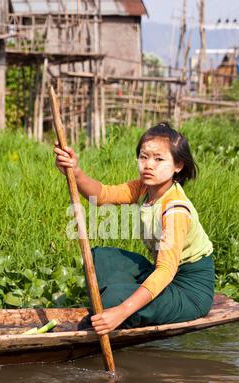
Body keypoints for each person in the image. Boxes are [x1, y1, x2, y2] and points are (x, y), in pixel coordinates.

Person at [54, 122, 215, 335]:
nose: (149, 165)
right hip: (162, 274)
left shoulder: (176, 209)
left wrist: (122, 311)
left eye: (159, 159)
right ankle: (110, 303)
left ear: (178, 165)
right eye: (143, 157)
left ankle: (112, 308)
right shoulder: (144, 187)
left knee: (113, 301)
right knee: (100, 257)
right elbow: (102, 196)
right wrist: (74, 172)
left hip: (188, 291)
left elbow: (166, 271)